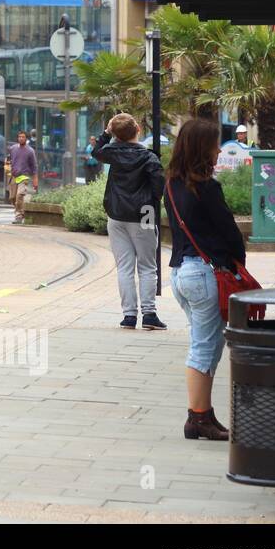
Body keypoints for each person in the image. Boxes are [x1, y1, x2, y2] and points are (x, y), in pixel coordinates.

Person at [165, 118, 246, 442]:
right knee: (204, 347)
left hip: (180, 273)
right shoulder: (207, 187)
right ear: (203, 147)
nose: (217, 149)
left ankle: (205, 413)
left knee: (208, 344)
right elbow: (228, 231)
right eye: (214, 143)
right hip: (203, 273)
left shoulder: (171, 183)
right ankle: (197, 417)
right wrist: (236, 259)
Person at [94, 114, 167, 331]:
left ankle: (129, 316)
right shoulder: (149, 158)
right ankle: (149, 314)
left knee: (124, 267)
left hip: (116, 215)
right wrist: (152, 204)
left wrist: (106, 133)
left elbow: (96, 151)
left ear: (114, 133)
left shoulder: (111, 153)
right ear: (137, 129)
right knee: (147, 266)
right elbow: (158, 187)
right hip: (143, 214)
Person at [7, 131, 38, 224]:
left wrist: (35, 180)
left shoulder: (30, 151)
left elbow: (34, 166)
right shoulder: (13, 148)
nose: (21, 138)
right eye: (19, 137)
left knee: (19, 195)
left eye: (23, 137)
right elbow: (8, 159)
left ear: (26, 138)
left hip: (24, 176)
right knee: (12, 197)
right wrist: (7, 167)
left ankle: (19, 216)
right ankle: (21, 211)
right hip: (13, 175)